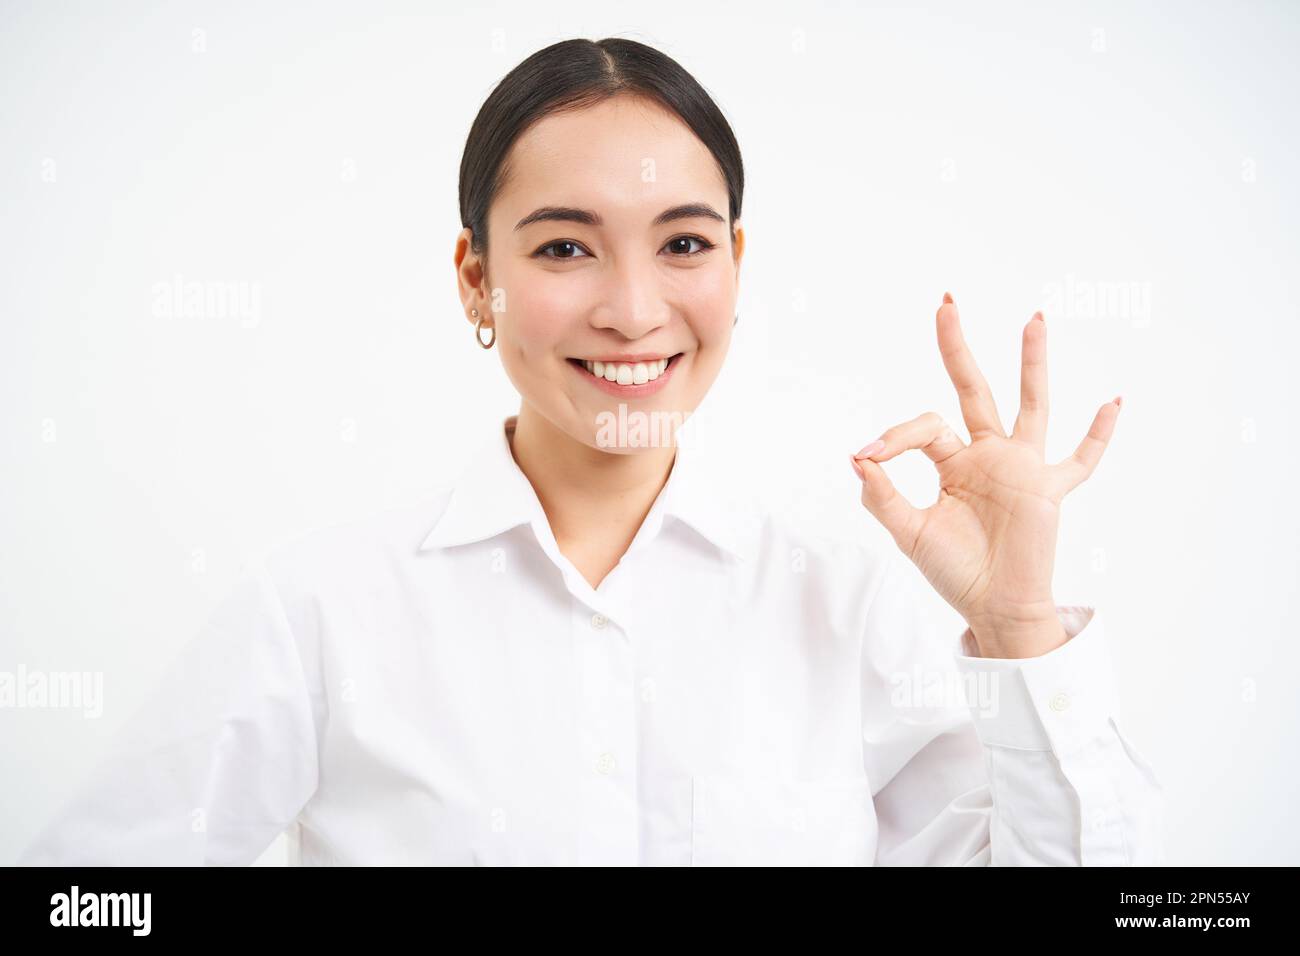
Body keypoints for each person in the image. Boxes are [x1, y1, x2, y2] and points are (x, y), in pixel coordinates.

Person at [18, 37, 1163, 866]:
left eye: (682, 244)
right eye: (565, 247)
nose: (631, 307)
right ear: (478, 278)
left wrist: (1017, 630)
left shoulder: (846, 605)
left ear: (735, 263)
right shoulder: (324, 608)